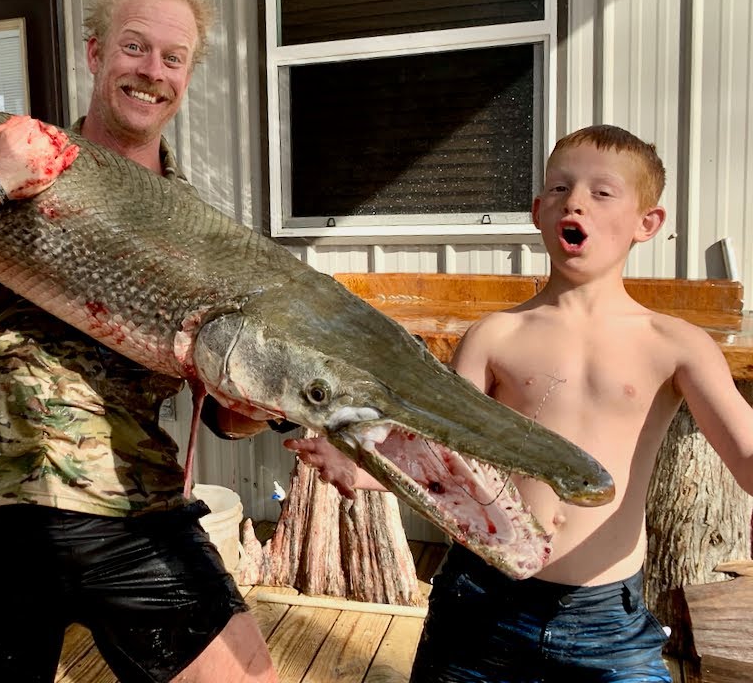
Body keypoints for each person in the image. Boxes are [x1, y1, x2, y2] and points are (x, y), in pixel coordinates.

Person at [0, 0, 276, 683]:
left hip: (135, 509)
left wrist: (260, 405)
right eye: (134, 47)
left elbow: (225, 418)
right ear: (95, 53)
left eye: (173, 58)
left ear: (186, 76)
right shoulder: (16, 159)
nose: (152, 71)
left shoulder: (199, 229)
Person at [289, 124, 753, 681]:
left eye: (602, 192)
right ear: (538, 212)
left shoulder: (676, 344)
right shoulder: (495, 336)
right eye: (559, 188)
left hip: (605, 620)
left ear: (647, 223)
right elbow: (439, 451)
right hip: (482, 603)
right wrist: (360, 469)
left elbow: (745, 453)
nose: (574, 202)